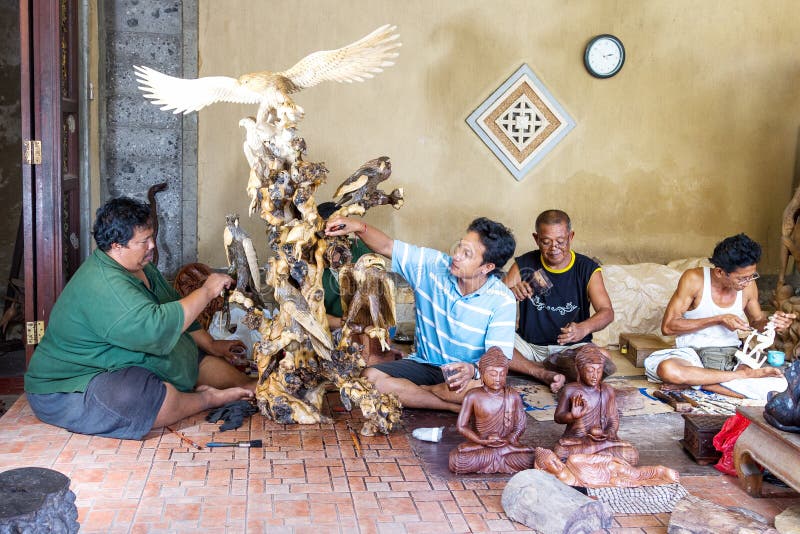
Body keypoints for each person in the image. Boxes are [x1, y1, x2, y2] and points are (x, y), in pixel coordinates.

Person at [24, 197, 256, 440]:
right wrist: (207, 291)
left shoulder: (140, 266)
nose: (152, 246)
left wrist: (211, 344)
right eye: (144, 241)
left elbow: (174, 306)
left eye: (152, 237)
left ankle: (247, 385)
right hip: (70, 385)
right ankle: (206, 398)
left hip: (124, 355)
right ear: (116, 246)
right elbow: (157, 329)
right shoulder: (105, 285)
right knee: (137, 396)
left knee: (184, 349)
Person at [325, 215, 517, 412]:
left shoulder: (502, 300)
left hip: (465, 377)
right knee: (370, 378)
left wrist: (473, 370)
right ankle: (449, 405)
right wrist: (358, 226)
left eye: (467, 254)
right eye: (459, 246)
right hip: (425, 365)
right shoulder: (433, 266)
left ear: (487, 267)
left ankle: (420, 392)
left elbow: (498, 361)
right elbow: (387, 247)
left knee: (491, 394)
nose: (457, 255)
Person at [644, 234, 793, 399]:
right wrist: (718, 319)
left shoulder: (748, 286)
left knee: (781, 386)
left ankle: (699, 382)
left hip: (730, 358)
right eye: (742, 278)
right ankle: (740, 378)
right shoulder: (694, 279)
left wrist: (772, 324)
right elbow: (668, 326)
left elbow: (757, 322)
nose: (748, 282)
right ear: (720, 272)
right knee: (668, 369)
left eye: (752, 275)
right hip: (691, 356)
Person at [504, 210, 614, 393]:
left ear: (571, 236)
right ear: (536, 238)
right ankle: (542, 372)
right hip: (528, 347)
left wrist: (583, 328)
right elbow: (491, 303)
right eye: (546, 242)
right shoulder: (524, 264)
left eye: (561, 241)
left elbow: (607, 311)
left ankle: (540, 369)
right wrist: (511, 294)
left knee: (602, 356)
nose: (554, 247)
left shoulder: (586, 268)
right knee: (489, 344)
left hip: (571, 350)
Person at [449, 347, 534, 474]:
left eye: (502, 374)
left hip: (505, 444)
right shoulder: (473, 395)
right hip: (481, 444)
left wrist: (509, 439)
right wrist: (480, 440)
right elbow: (461, 426)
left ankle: (499, 456)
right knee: (458, 460)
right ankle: (500, 457)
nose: (498, 378)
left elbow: (520, 425)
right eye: (493, 374)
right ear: (482, 375)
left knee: (530, 458)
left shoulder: (512, 395)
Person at [317, 201, 372, 329]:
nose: (333, 238)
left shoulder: (361, 251)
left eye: (339, 229)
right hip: (331, 330)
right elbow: (310, 315)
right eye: (327, 233)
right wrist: (343, 323)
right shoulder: (310, 264)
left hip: (369, 325)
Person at [534, 447, 679, 488]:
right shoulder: (553, 481)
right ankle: (659, 479)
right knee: (633, 483)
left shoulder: (573, 459)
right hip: (605, 482)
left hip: (607, 468)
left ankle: (660, 470)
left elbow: (597, 458)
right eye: (552, 463)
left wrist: (614, 459)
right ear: (544, 469)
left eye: (557, 459)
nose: (558, 463)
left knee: (634, 473)